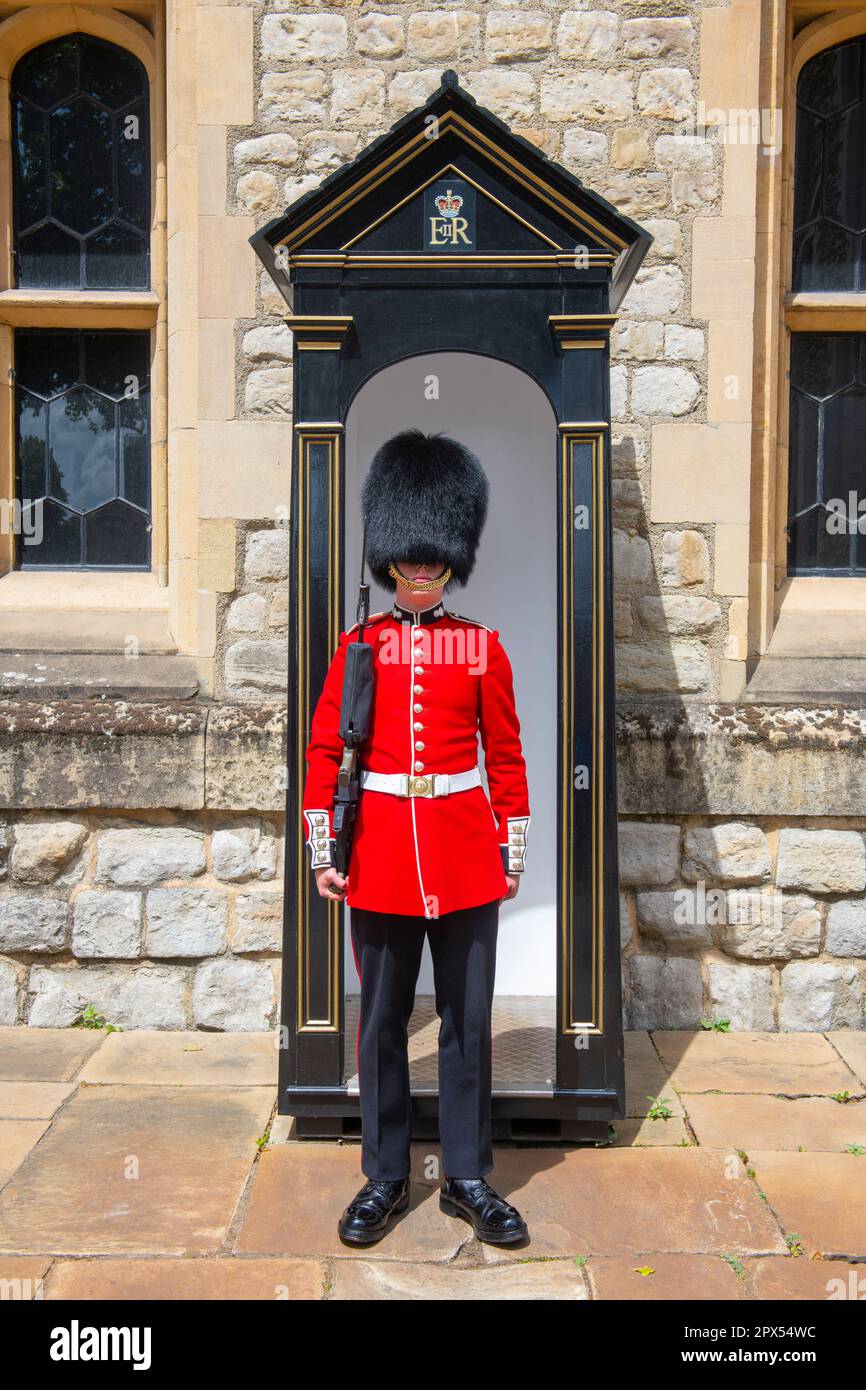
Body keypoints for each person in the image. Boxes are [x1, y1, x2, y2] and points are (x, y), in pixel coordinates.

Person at [301, 428, 531, 1246]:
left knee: (470, 1023)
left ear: (450, 554)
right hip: (384, 862)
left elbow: (504, 755)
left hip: (465, 855)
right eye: (409, 555)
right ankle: (386, 1175)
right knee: (383, 1023)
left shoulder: (484, 648)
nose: (422, 568)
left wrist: (511, 849)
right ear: (391, 555)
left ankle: (467, 1174)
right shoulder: (357, 648)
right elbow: (327, 751)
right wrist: (326, 849)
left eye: (435, 555)